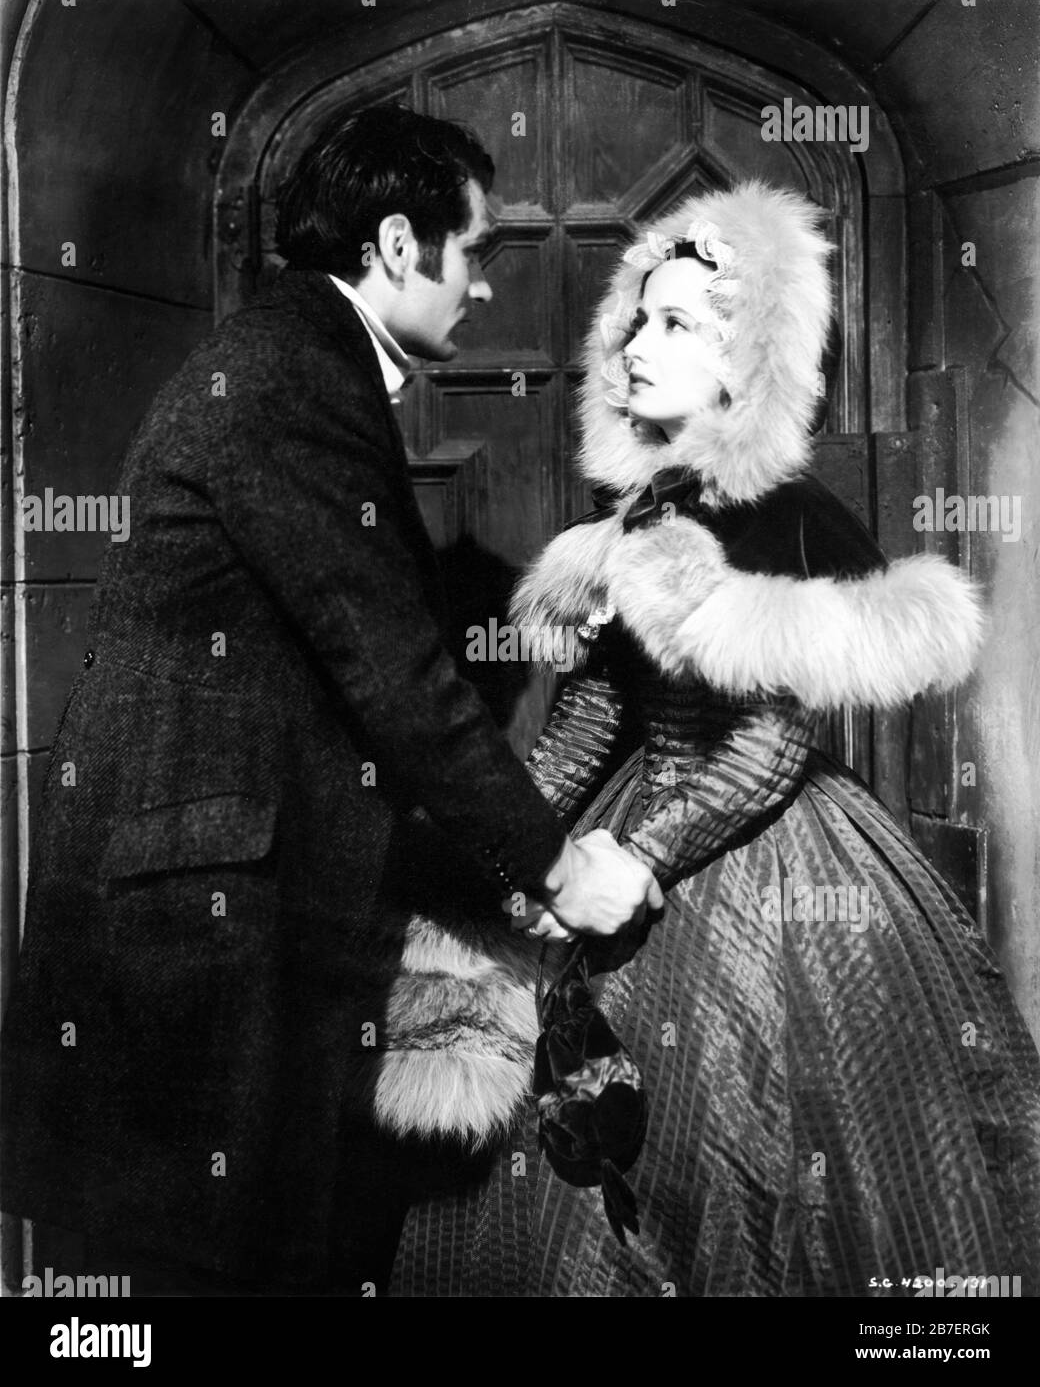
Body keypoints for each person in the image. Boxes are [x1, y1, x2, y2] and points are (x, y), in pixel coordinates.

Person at [0, 104, 660, 1296]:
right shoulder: (294, 375)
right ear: (398, 246)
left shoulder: (294, 356)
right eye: (473, 255)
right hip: (203, 921)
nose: (482, 294)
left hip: (221, 899)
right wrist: (559, 872)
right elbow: (396, 683)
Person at [390, 180, 1040, 1297]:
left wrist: (636, 857)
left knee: (753, 1169)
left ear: (745, 366)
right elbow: (595, 713)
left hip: (766, 866)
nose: (639, 341)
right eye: (638, 317)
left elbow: (768, 752)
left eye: (677, 323)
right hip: (620, 833)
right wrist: (521, 845)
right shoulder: (627, 520)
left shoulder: (787, 518)